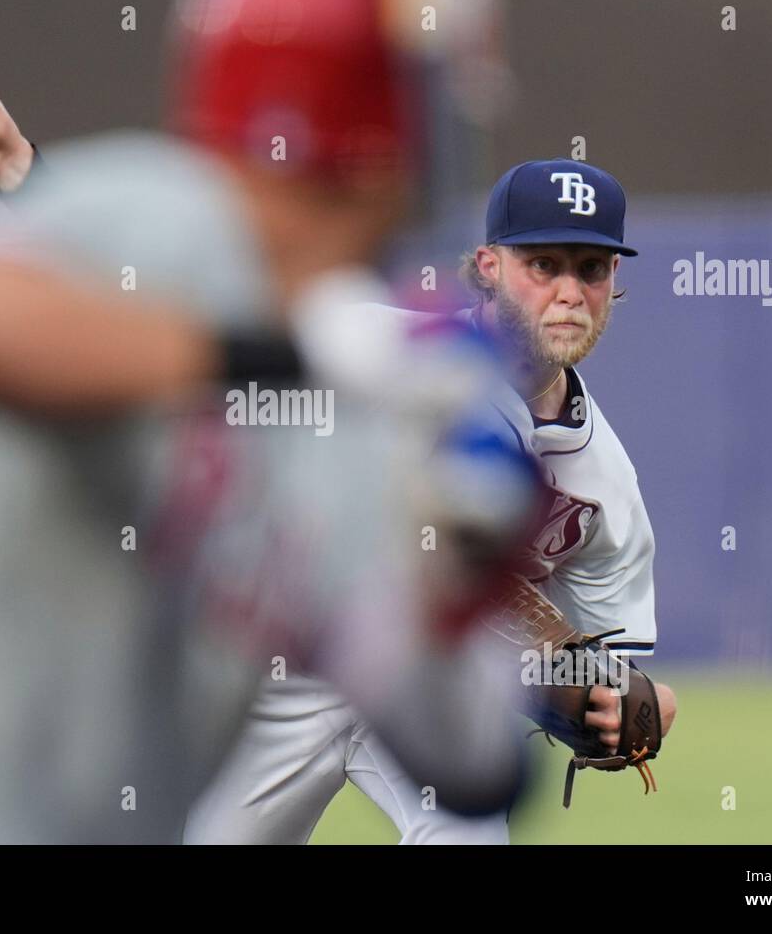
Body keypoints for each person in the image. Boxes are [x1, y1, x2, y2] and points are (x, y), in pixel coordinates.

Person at [0, 0, 538, 844]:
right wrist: (293, 362)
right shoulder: (157, 216)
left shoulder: (346, 420)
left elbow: (474, 770)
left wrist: (457, 599)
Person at [185, 160, 679, 844]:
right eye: (543, 264)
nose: (569, 292)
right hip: (297, 672)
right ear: (487, 264)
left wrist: (610, 697)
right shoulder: (381, 344)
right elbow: (195, 333)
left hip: (432, 688)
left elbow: (595, 664)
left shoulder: (607, 486)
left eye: (592, 268)